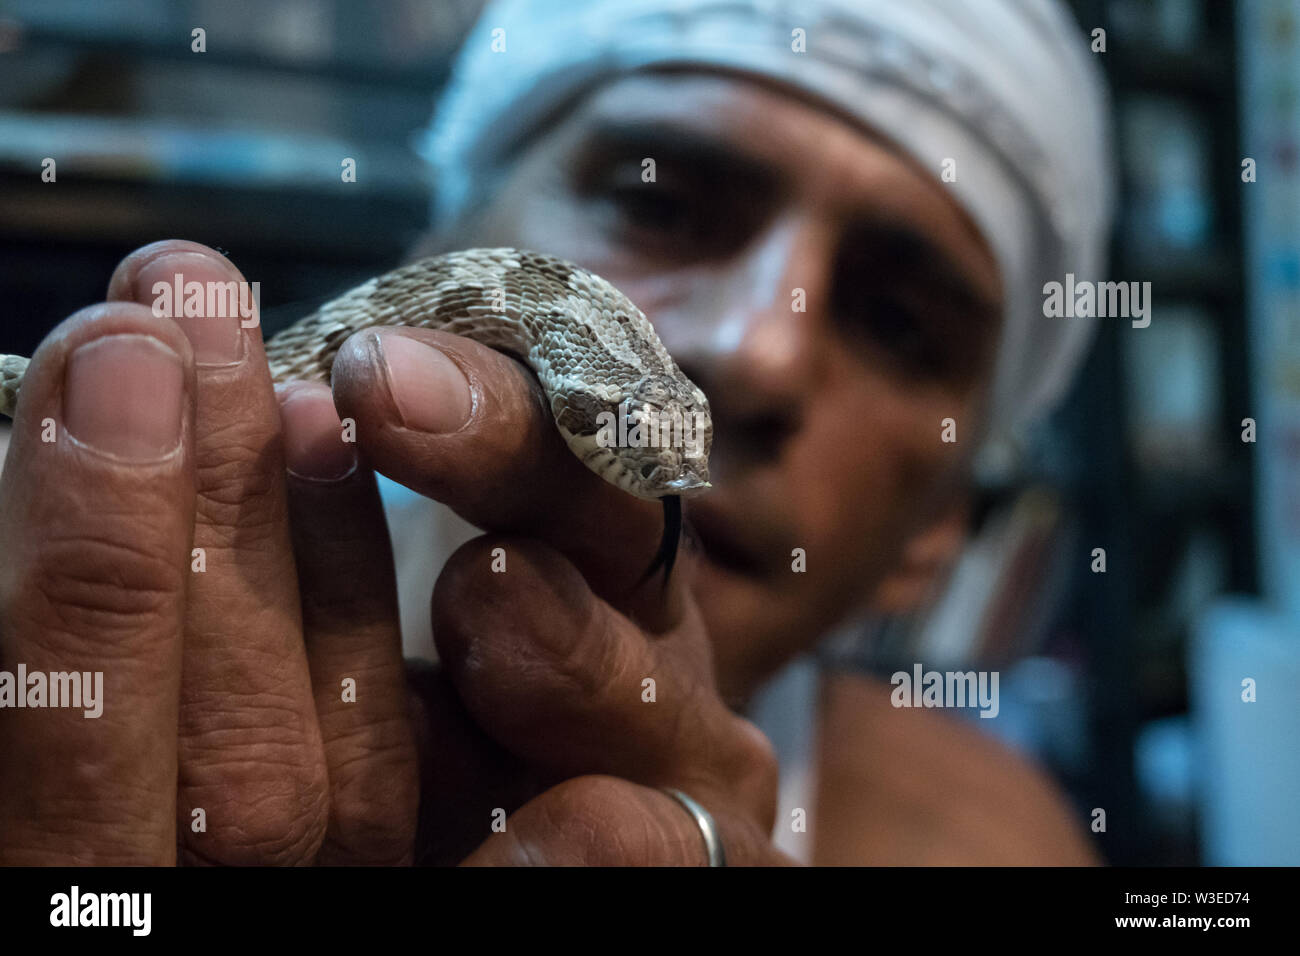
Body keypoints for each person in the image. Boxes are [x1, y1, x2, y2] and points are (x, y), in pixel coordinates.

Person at [0, 0, 1112, 865]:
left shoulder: (991, 839)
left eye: (898, 322)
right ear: (439, 250)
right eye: (655, 200)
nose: (757, 353)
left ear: (939, 533)